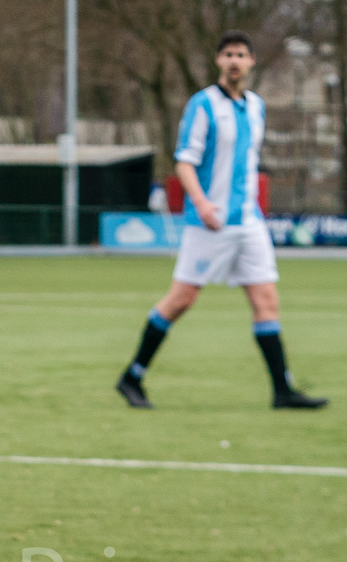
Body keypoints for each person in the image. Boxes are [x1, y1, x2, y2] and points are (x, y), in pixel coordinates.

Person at [116, 30, 327, 411]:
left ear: (251, 62)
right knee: (181, 299)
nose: (234, 60)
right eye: (228, 54)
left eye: (241, 54)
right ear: (218, 60)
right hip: (209, 222)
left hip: (249, 222)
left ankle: (282, 391)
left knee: (266, 300)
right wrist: (202, 204)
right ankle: (132, 376)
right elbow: (184, 161)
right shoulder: (203, 105)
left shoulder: (257, 107)